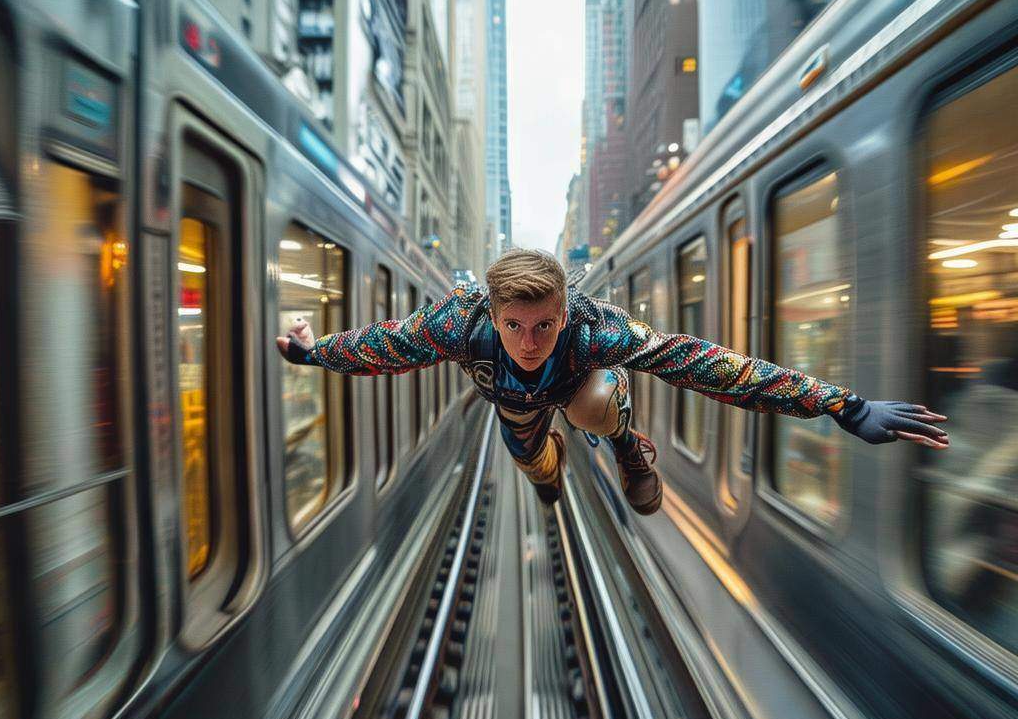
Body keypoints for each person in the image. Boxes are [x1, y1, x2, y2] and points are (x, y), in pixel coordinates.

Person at [275, 248, 950, 515]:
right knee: (539, 474)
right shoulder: (459, 323)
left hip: (580, 390)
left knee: (597, 404)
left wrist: (840, 404)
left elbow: (713, 365)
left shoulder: (601, 331)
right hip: (512, 409)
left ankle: (628, 447)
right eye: (515, 326)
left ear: (564, 313)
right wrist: (313, 356)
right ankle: (550, 474)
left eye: (544, 325)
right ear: (494, 316)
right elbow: (381, 347)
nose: (530, 341)